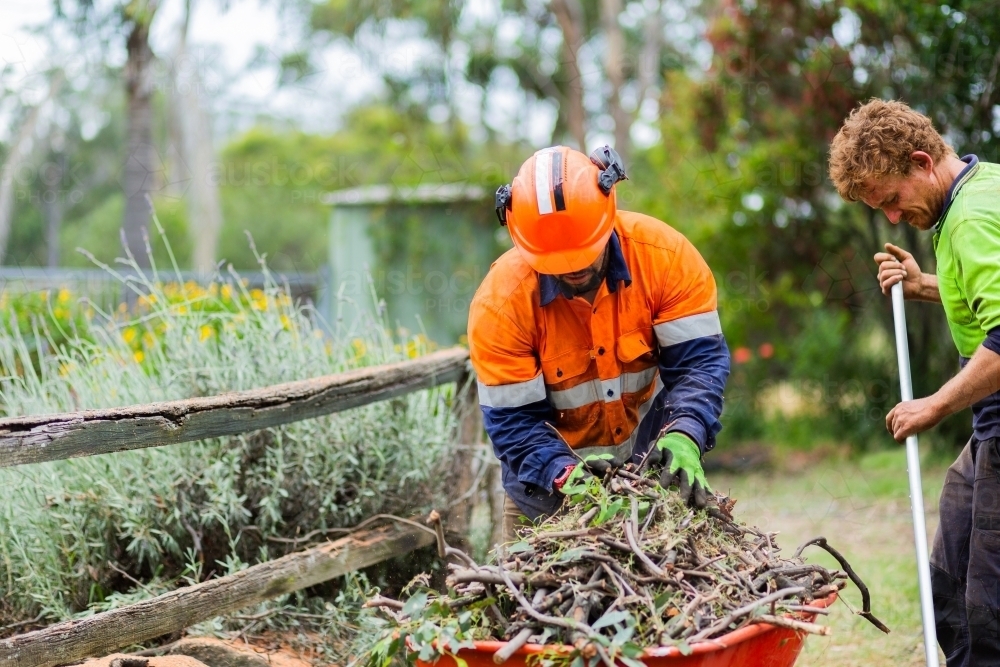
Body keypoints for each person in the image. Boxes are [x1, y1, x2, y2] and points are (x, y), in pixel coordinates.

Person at [466, 145, 730, 543]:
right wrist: (565, 476)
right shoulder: (500, 305)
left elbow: (699, 366)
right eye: (557, 263)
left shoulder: (665, 259)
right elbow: (515, 425)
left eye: (583, 256)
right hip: (544, 498)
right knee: (526, 602)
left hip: (651, 480)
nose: (573, 269)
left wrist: (685, 432)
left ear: (607, 216)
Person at [830, 98, 1000, 666]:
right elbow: (982, 299)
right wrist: (923, 283)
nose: (894, 218)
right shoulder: (977, 193)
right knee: (946, 584)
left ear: (923, 161)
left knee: (986, 614)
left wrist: (933, 406)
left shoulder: (970, 218)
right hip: (989, 431)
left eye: (893, 201)